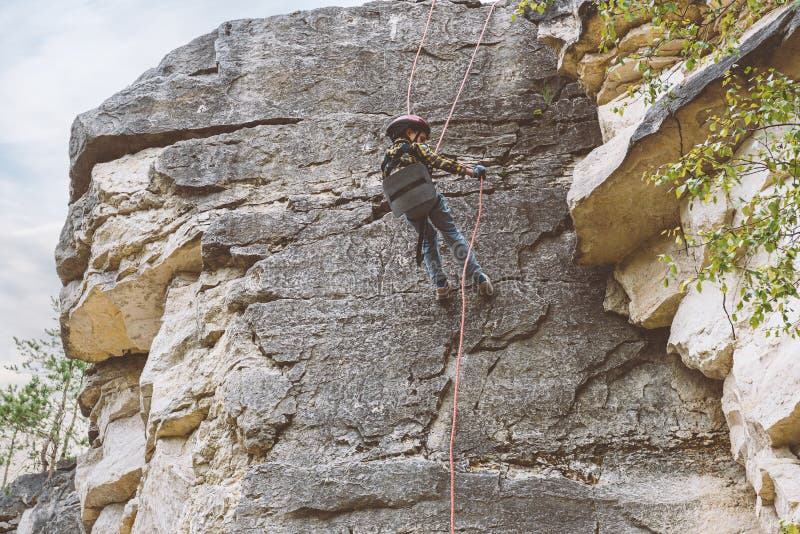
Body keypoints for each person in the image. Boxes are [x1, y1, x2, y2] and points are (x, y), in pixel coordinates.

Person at [381, 114, 493, 302]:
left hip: (408, 207)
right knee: (450, 233)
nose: (424, 142)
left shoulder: (385, 161)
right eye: (423, 138)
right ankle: (478, 278)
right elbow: (439, 162)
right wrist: (471, 171)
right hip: (428, 198)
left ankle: (440, 285)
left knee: (428, 240)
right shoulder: (415, 147)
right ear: (410, 132)